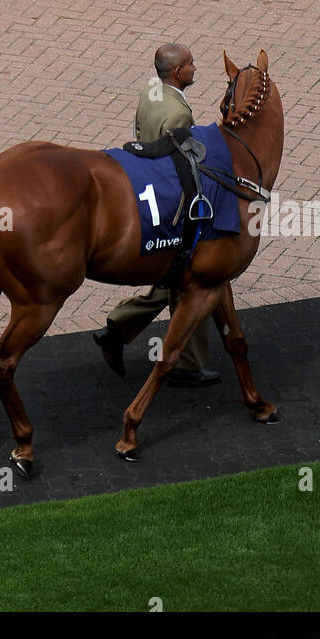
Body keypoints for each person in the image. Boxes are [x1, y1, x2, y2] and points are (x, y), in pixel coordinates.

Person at [93, 43, 221, 386]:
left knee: (180, 280)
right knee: (191, 278)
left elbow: (140, 134)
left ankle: (129, 331)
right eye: (191, 64)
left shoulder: (151, 92)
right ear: (177, 72)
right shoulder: (179, 117)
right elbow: (183, 164)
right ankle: (185, 364)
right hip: (169, 202)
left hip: (144, 184)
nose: (196, 68)